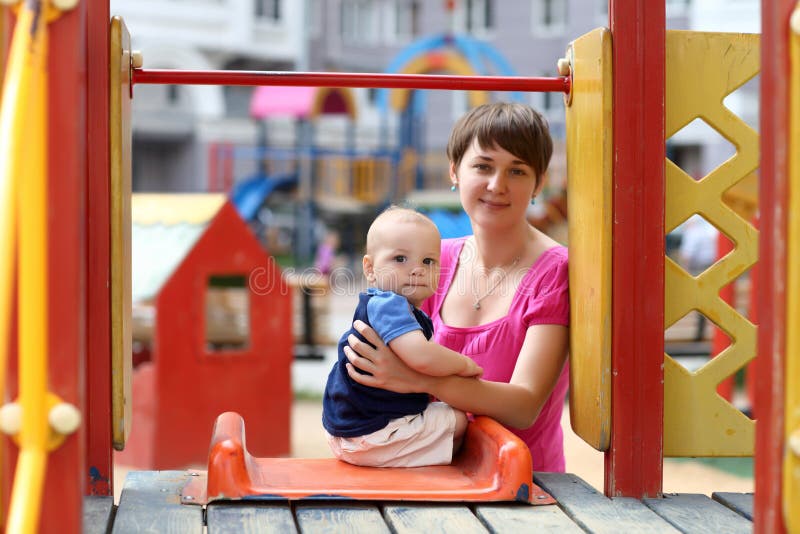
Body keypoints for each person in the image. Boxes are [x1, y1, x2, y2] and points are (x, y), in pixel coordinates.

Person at [342, 102, 571, 472]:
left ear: (538, 183)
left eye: (517, 170)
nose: (497, 185)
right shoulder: (434, 261)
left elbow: (524, 405)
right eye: (483, 166)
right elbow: (380, 354)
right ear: (455, 171)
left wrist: (412, 378)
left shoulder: (554, 271)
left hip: (523, 482)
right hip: (430, 471)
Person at [322, 206, 483, 467]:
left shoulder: (391, 308)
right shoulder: (388, 305)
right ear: (370, 268)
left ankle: (415, 462)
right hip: (372, 433)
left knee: (441, 419)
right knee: (459, 420)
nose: (417, 269)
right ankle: (420, 472)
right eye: (400, 259)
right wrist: (463, 364)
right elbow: (421, 356)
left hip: (353, 428)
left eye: (428, 261)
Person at [678, 214, 719, 340]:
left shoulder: (693, 233)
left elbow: (686, 255)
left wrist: (682, 273)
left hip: (698, 269)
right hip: (712, 267)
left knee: (698, 302)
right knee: (708, 301)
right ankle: (712, 332)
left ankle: (699, 334)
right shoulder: (707, 231)